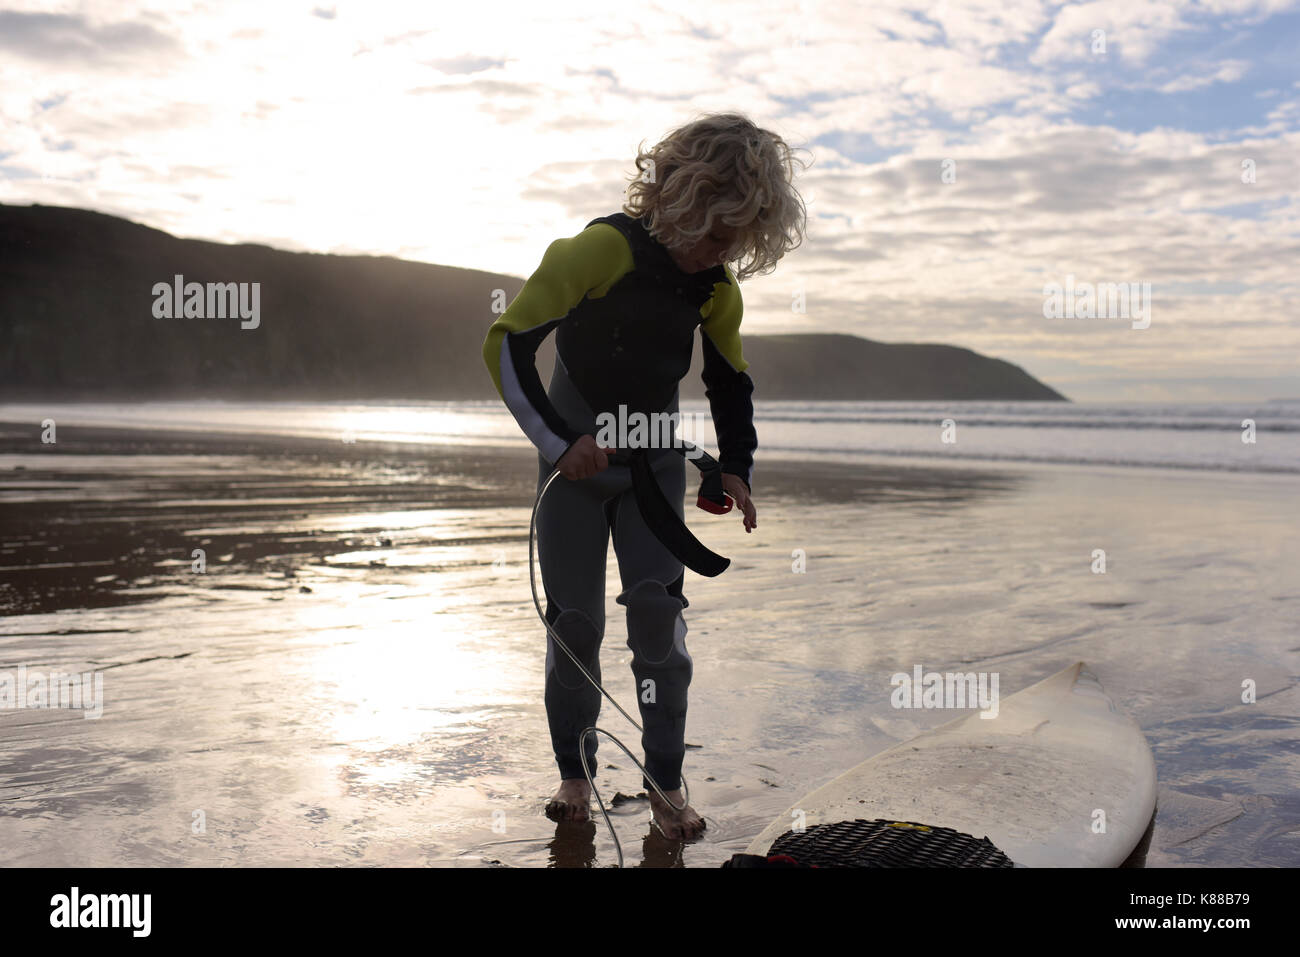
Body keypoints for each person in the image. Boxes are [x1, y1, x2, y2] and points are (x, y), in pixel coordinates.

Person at [482, 112, 807, 840]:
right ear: (677, 195)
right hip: (574, 469)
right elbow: (507, 343)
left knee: (657, 620)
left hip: (654, 468)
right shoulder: (599, 250)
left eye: (738, 241)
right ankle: (575, 770)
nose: (722, 253)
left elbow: (729, 381)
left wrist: (737, 468)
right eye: (717, 233)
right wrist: (561, 441)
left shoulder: (716, 290)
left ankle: (665, 784)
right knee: (576, 624)